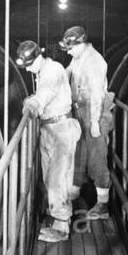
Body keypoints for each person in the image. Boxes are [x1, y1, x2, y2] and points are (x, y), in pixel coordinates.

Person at [15, 39, 81, 243]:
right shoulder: (43, 71)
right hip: (50, 128)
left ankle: (61, 227)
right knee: (51, 178)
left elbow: (45, 94)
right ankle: (58, 217)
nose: (27, 71)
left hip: (60, 129)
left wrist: (32, 103)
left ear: (37, 58)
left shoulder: (52, 71)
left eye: (28, 65)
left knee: (56, 179)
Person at [60, 25, 114, 219]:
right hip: (81, 111)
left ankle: (102, 206)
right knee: (79, 153)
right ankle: (73, 193)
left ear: (81, 43)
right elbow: (68, 72)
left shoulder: (94, 61)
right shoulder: (79, 57)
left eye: (71, 48)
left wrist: (95, 123)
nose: (69, 52)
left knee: (96, 157)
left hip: (94, 112)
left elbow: (98, 95)